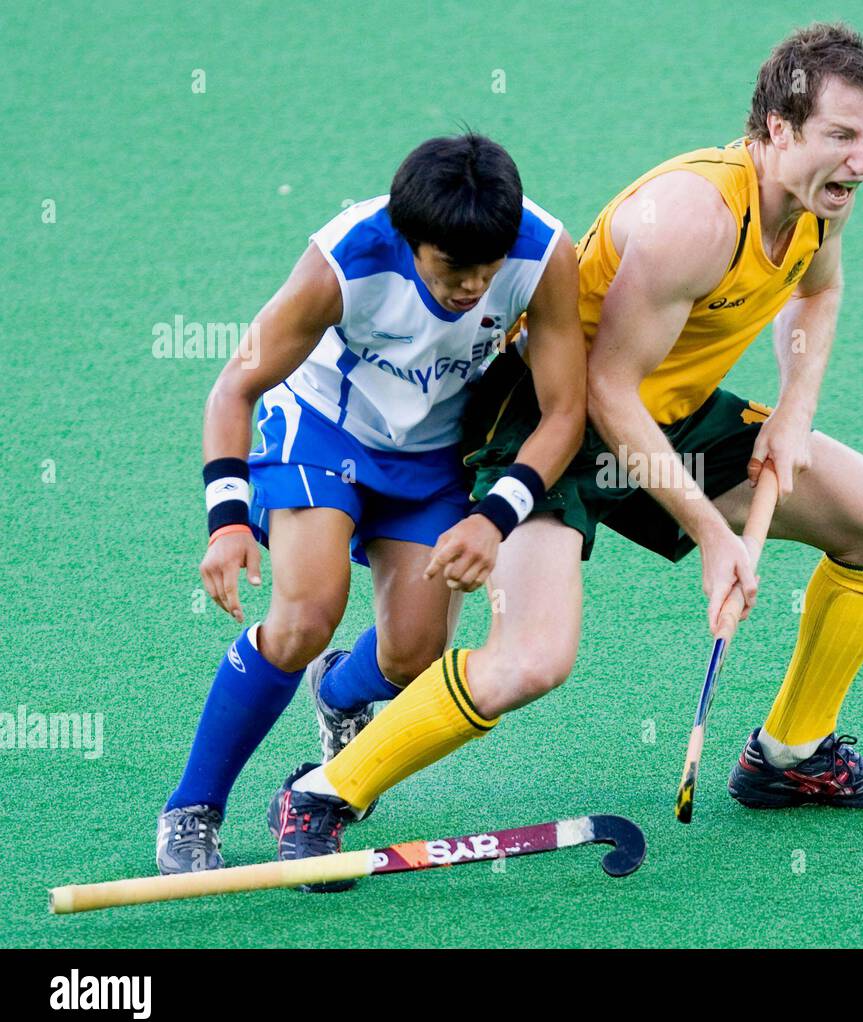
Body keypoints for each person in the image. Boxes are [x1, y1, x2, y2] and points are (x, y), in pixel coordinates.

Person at [273, 23, 863, 881]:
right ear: (778, 129)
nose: (862, 160)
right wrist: (711, 533)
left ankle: (790, 752)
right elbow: (607, 392)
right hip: (556, 424)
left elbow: (819, 290)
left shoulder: (819, 198)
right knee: (533, 659)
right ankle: (323, 792)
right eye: (842, 136)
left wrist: (794, 411)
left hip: (674, 415)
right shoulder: (690, 220)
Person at [156, 133, 584, 875]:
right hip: (322, 432)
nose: (472, 288)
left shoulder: (543, 255)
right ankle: (193, 806)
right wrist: (226, 519)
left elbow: (564, 411)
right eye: (453, 268)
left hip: (433, 456)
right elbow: (235, 385)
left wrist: (495, 516)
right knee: (303, 619)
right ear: (409, 237)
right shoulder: (344, 259)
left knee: (415, 655)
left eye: (487, 269)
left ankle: (338, 690)